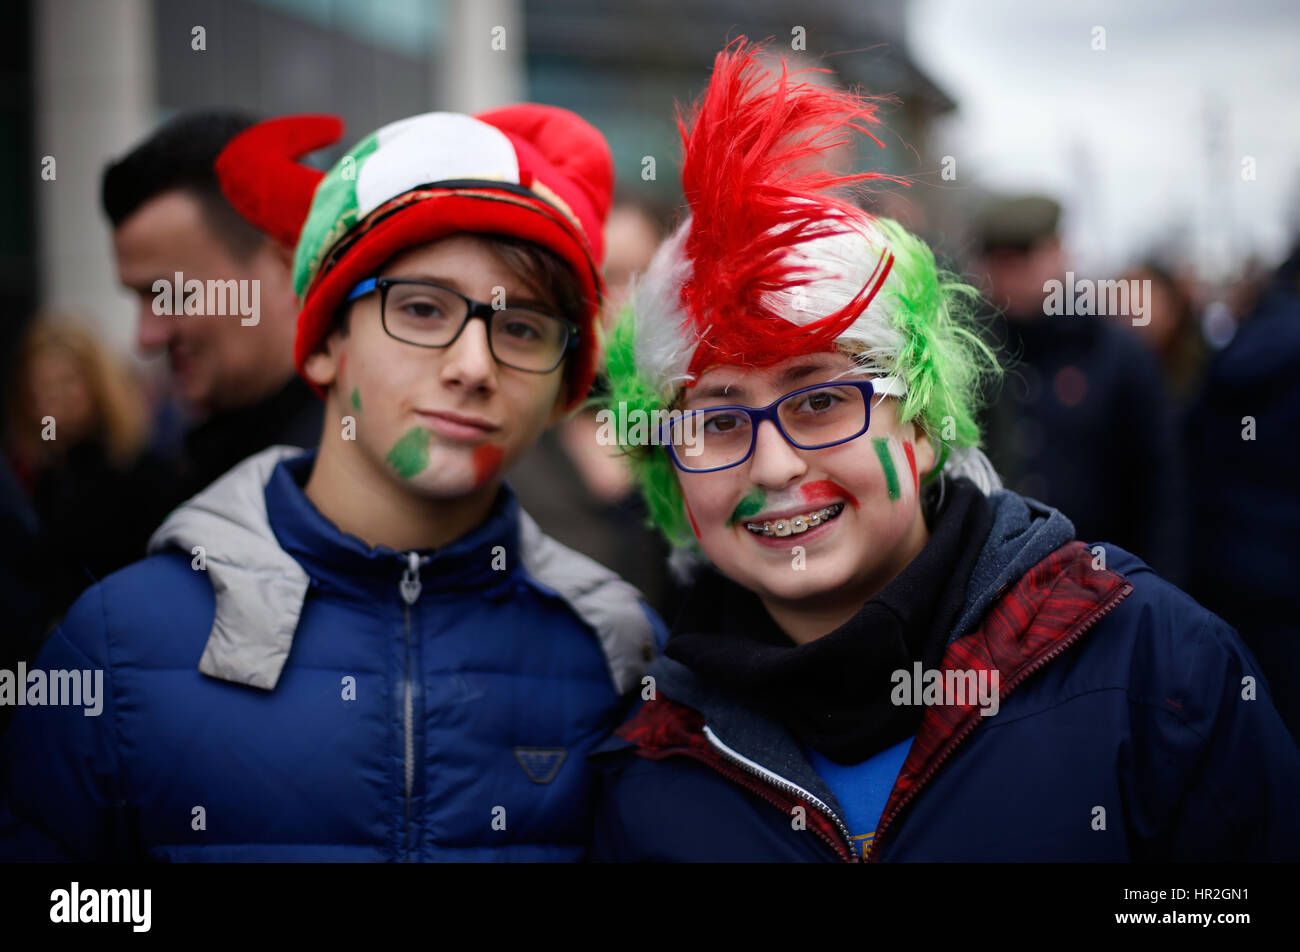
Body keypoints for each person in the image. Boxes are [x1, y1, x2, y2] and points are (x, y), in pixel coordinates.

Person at [588, 41, 1300, 862]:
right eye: (717, 421)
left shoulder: (1157, 672)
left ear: (922, 427)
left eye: (822, 402)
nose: (775, 467)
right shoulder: (647, 763)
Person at [0, 105, 663, 861]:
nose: (473, 366)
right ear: (324, 346)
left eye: (521, 328)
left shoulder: (621, 652)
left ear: (563, 387)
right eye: (420, 308)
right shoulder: (115, 646)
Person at [102, 110, 322, 500]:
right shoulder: (179, 464)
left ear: (286, 266)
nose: (145, 337)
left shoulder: (348, 485)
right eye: (139, 298)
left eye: (172, 294)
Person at [973, 195, 1186, 584]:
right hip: (1000, 591)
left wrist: (1157, 587)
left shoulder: (1116, 353)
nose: (1009, 275)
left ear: (1059, 254)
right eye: (998, 261)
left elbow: (1159, 487)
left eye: (1023, 258)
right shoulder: (973, 354)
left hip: (1105, 583)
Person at [3, 319, 173, 637]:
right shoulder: (46, 477)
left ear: (97, 385)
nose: (54, 400)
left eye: (67, 383)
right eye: (41, 387)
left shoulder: (141, 471)